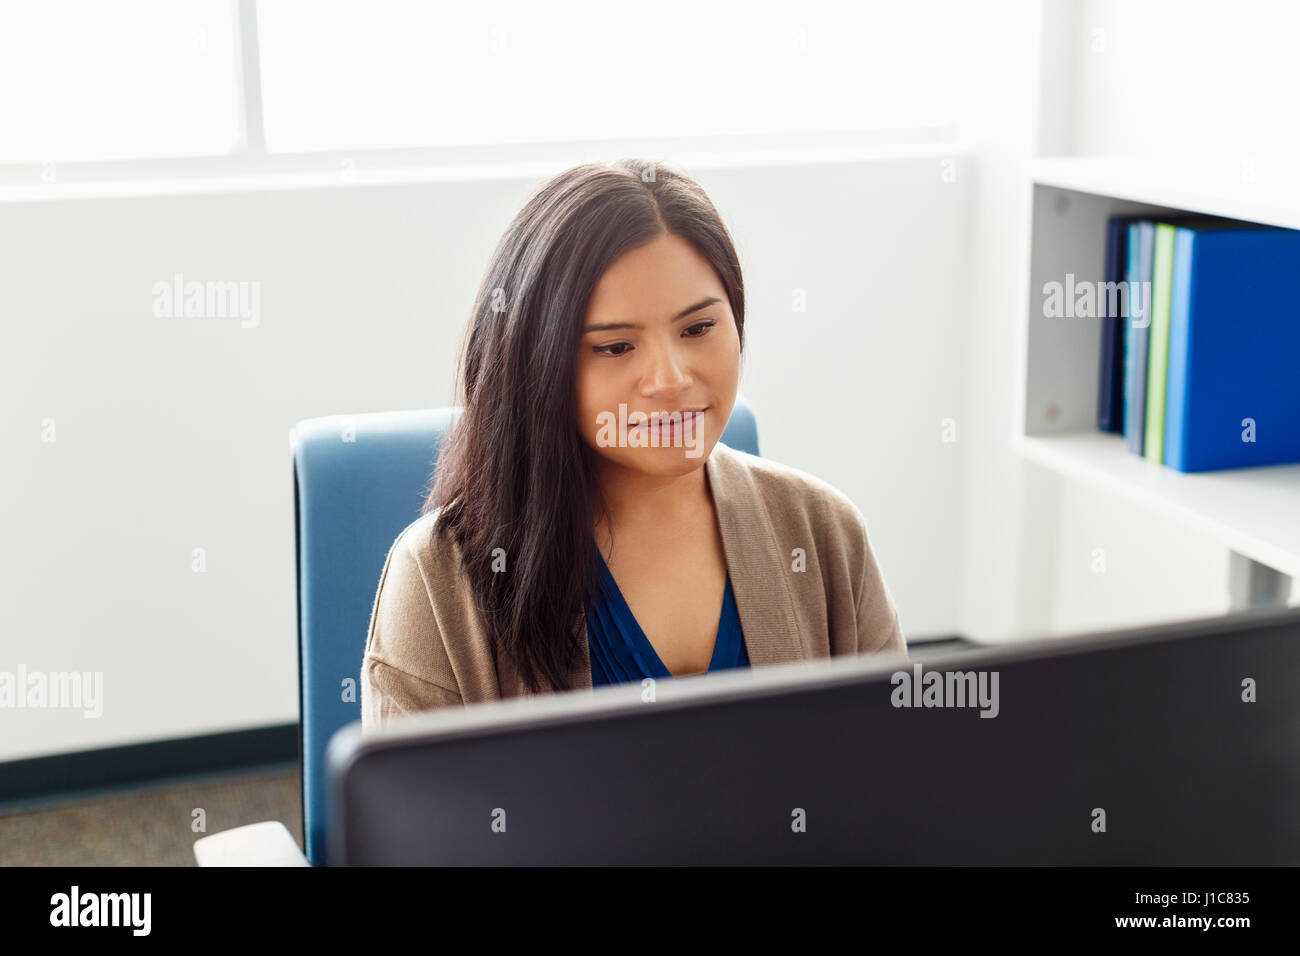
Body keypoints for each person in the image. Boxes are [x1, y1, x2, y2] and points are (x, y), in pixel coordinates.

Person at [361, 159, 906, 729]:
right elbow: (418, 818)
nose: (670, 378)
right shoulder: (436, 578)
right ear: (536, 365)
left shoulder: (824, 532)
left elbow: (894, 776)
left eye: (698, 329)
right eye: (616, 347)